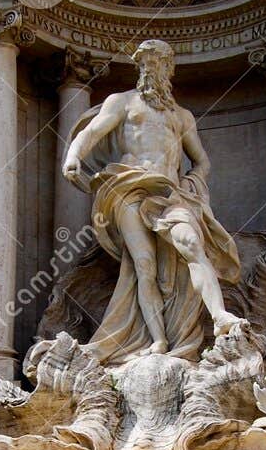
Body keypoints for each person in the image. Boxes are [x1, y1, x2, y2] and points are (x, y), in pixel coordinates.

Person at [61, 39, 246, 364]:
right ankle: (158, 340)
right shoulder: (122, 102)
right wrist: (73, 155)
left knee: (191, 244)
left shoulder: (181, 117)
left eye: (158, 64)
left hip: (170, 192)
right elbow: (91, 132)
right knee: (143, 264)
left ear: (168, 71)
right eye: (145, 64)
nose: (151, 70)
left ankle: (219, 317)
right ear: (139, 69)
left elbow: (201, 161)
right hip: (127, 187)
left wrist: (193, 186)